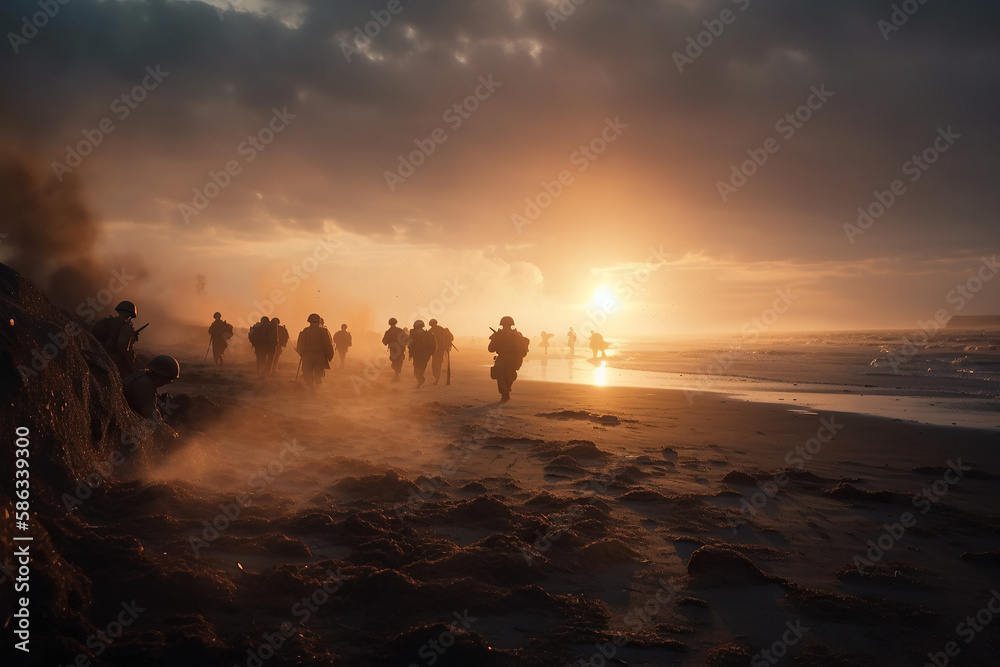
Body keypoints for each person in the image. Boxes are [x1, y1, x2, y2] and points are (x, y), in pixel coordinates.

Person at [123, 354, 179, 423]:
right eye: (168, 380)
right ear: (162, 376)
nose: (165, 383)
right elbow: (150, 414)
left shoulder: (142, 377)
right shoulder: (145, 385)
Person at [92, 300, 140, 375]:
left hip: (99, 354)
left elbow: (94, 332)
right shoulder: (126, 327)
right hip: (114, 359)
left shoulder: (108, 321)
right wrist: (128, 363)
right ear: (130, 314)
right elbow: (122, 346)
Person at [489, 316, 529, 402]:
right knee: (510, 376)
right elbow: (523, 350)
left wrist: (494, 338)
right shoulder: (517, 335)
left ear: (501, 325)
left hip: (503, 359)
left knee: (501, 376)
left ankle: (505, 393)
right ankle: (506, 391)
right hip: (514, 360)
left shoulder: (499, 335)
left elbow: (491, 348)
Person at [295, 313, 334, 390]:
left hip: (307, 357)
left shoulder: (305, 331)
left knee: (307, 375)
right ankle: (317, 390)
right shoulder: (324, 331)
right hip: (320, 357)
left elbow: (300, 346)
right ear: (319, 321)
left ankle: (311, 388)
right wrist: (329, 356)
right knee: (318, 375)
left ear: (309, 321)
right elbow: (328, 345)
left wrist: (302, 354)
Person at [407, 320, 437, 388]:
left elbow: (433, 346)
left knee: (419, 370)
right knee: (418, 370)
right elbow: (410, 345)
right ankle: (420, 382)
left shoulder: (428, 335)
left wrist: (430, 353)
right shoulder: (427, 335)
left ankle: (420, 382)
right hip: (420, 356)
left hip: (422, 356)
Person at [428, 318, 454, 385]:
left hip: (438, 350)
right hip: (439, 350)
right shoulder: (440, 329)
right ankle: (437, 378)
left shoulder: (433, 330)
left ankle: (437, 379)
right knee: (436, 364)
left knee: (436, 364)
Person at [381, 318, 408, 382]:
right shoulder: (400, 330)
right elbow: (406, 339)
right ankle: (397, 374)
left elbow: (384, 341)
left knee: (394, 362)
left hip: (393, 349)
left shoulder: (388, 332)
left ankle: (396, 375)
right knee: (399, 361)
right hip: (400, 349)